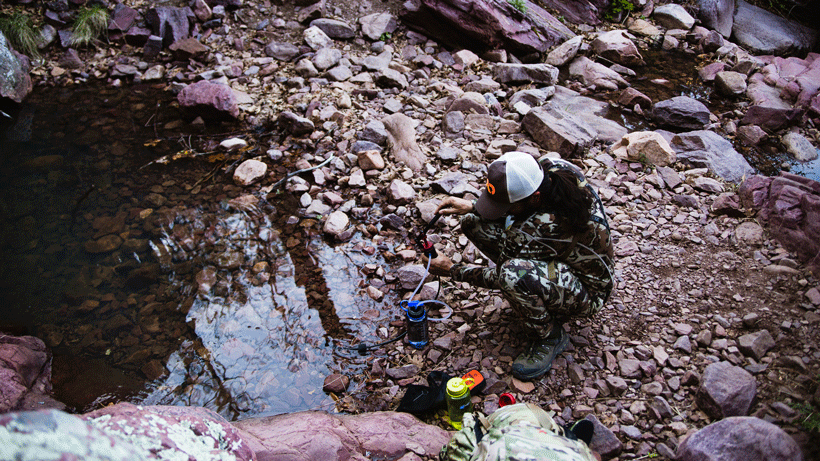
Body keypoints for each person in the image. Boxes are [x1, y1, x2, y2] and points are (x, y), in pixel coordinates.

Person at [426, 151, 614, 381]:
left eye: (507, 206)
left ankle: (549, 337)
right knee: (473, 222)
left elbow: (500, 277)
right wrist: (474, 206)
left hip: (587, 291)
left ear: (534, 198)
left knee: (512, 275)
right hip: (560, 253)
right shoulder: (551, 167)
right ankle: (533, 283)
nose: (502, 211)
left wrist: (453, 270)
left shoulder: (542, 227)